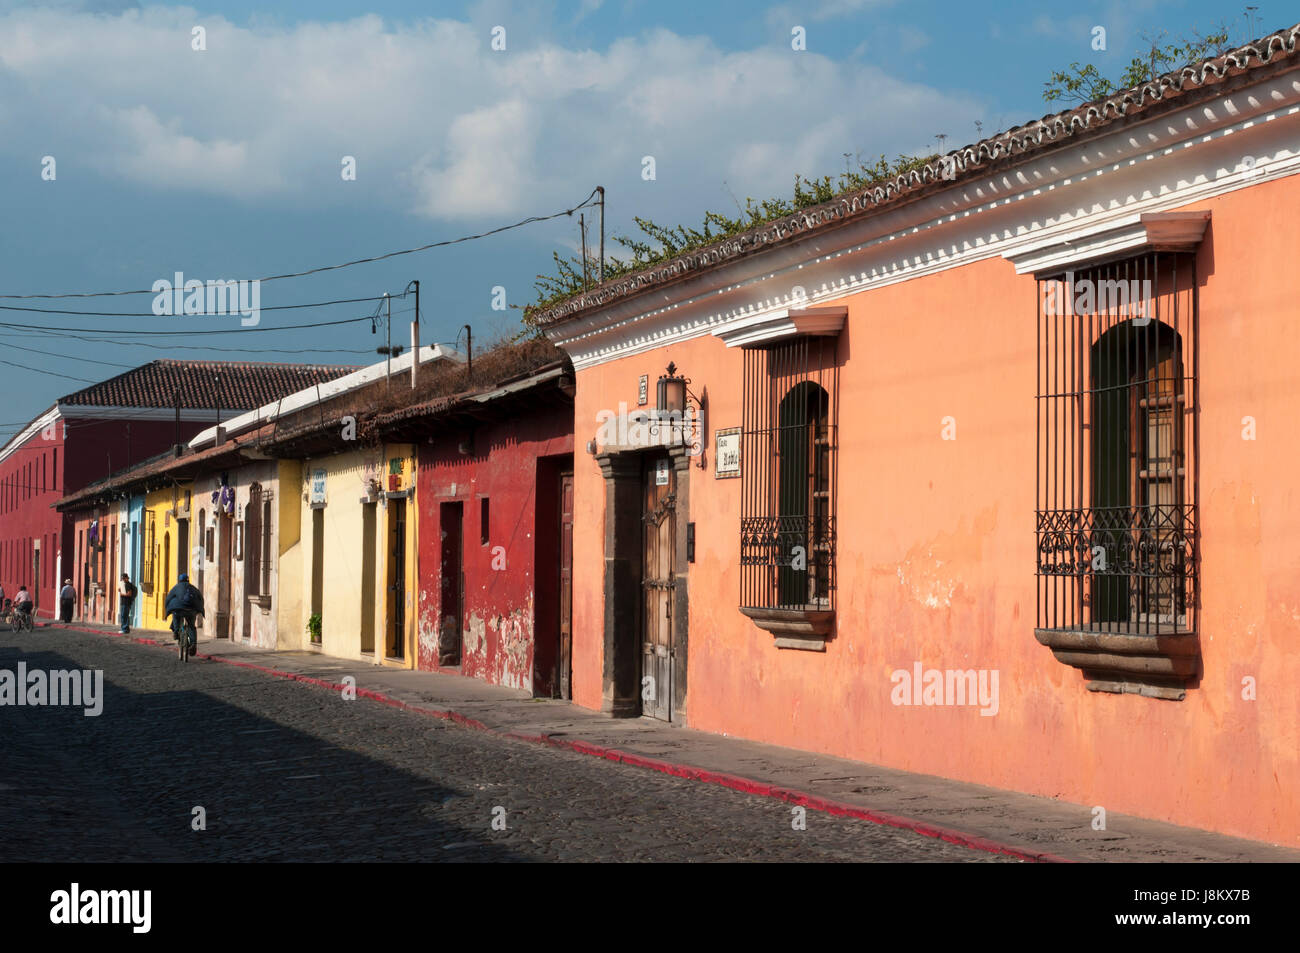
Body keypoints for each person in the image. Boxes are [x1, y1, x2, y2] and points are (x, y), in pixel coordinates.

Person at [164, 572, 204, 651]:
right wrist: (200, 609)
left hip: (179, 610)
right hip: (192, 610)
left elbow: (168, 598)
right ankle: (193, 643)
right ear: (188, 580)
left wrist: (167, 610)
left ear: (179, 580)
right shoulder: (193, 588)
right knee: (191, 626)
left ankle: (176, 632)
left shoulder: (176, 587)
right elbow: (201, 598)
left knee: (175, 616)